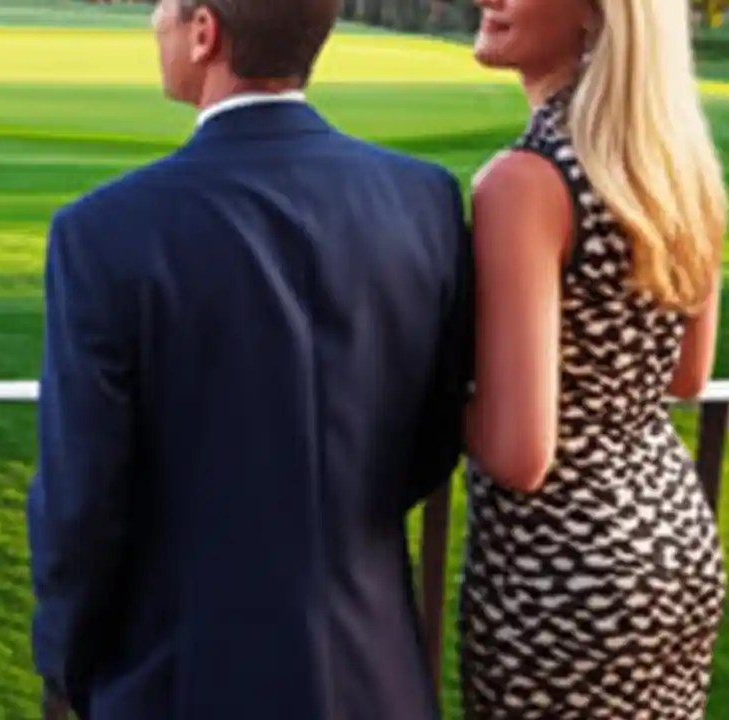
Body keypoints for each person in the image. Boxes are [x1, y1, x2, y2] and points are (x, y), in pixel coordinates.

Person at [25, 0, 472, 718]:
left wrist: (68, 661)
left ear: (205, 33)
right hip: (374, 672)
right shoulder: (423, 200)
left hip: (179, 678)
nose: (154, 25)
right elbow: (435, 430)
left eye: (164, 9)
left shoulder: (103, 230)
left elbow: (83, 497)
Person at [458, 0, 729, 717]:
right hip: (676, 543)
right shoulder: (677, 166)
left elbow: (521, 454)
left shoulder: (523, 184)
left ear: (594, 15)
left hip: (564, 579)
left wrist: (420, 391)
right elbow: (687, 374)